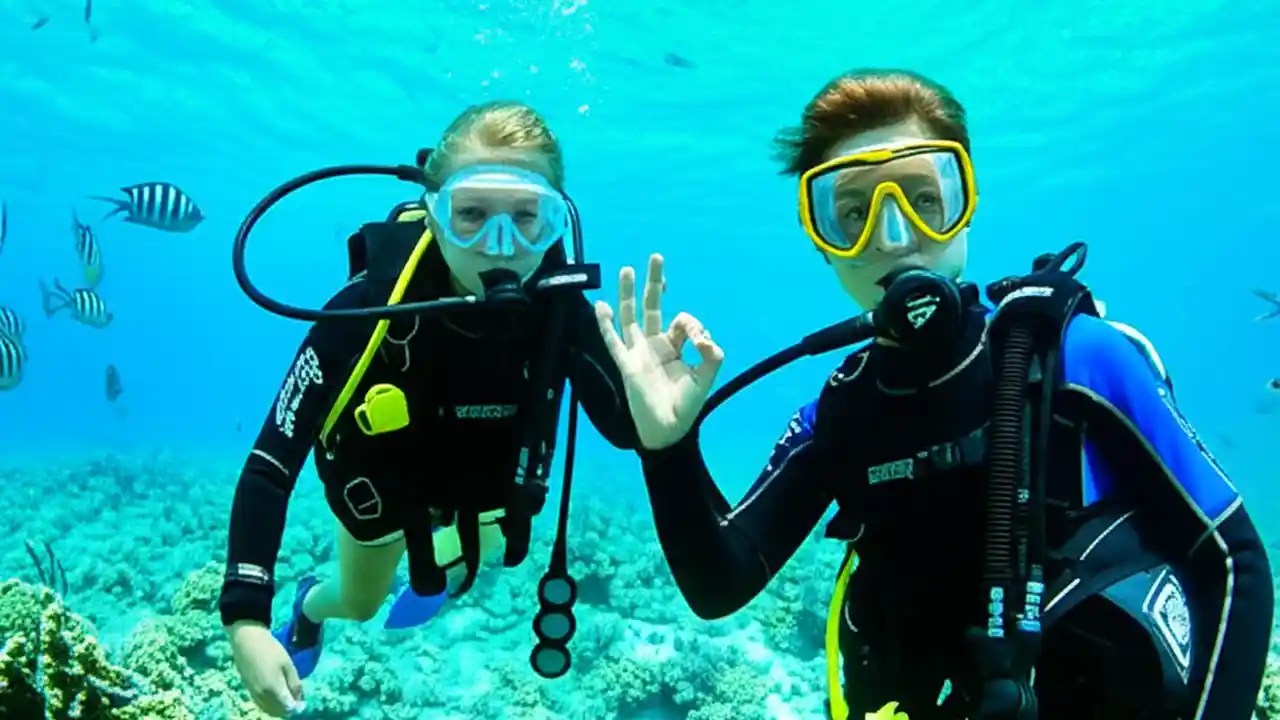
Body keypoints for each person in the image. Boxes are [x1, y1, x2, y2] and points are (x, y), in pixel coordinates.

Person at [595, 69, 1272, 719]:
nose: (892, 237)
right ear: (823, 246)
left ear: (966, 209)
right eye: (851, 213)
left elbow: (1235, 559)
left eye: (923, 199)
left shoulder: (1077, 357)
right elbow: (720, 584)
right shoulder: (840, 415)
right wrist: (667, 448)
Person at [220, 100, 637, 717]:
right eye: (471, 215)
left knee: (475, 558)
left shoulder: (565, 318)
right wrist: (246, 620)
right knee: (360, 603)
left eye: (528, 219)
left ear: (557, 222)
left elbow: (631, 432)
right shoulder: (364, 309)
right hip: (382, 490)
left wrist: (664, 408)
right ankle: (311, 605)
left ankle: (436, 575)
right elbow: (270, 464)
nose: (502, 246)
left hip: (492, 494)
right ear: (435, 216)